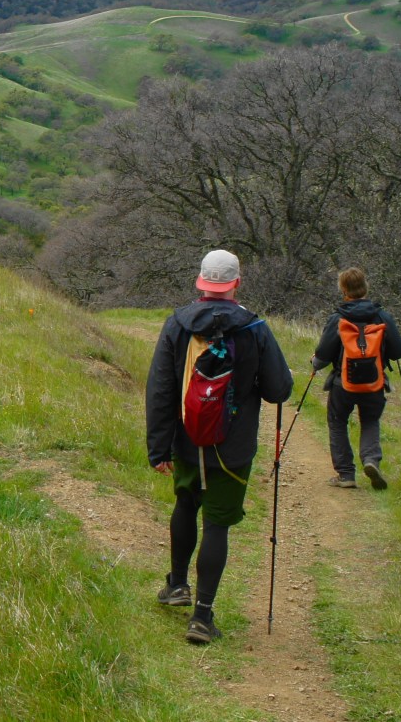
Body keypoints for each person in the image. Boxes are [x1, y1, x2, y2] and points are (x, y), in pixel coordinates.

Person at [145, 248, 294, 644]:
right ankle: (202, 617)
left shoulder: (177, 324)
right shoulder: (255, 329)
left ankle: (176, 585)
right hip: (233, 447)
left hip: (186, 439)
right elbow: (279, 390)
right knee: (217, 524)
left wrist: (158, 448)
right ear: (236, 284)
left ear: (200, 282)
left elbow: (160, 389)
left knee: (186, 504)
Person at [311, 267, 401, 490]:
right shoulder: (383, 316)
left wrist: (314, 364)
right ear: (366, 287)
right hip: (374, 384)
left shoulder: (338, 318)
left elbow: (323, 356)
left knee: (337, 422)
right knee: (370, 421)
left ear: (343, 290)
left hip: (342, 384)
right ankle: (371, 460)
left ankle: (346, 474)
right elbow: (399, 352)